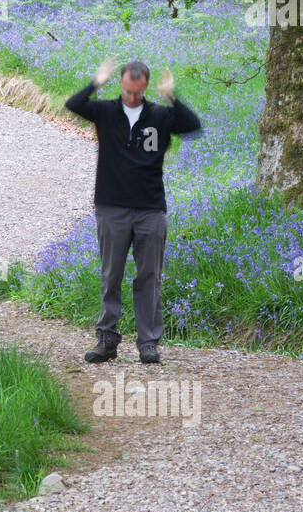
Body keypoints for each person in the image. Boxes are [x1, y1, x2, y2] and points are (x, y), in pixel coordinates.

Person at [63, 58, 201, 364]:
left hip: (150, 208)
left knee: (149, 276)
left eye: (137, 92)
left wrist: (172, 97)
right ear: (121, 85)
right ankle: (107, 338)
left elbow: (192, 126)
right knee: (111, 274)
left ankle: (148, 342)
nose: (132, 97)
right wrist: (95, 82)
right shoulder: (105, 111)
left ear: (146, 87)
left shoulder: (161, 116)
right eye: (127, 90)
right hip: (111, 206)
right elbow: (73, 104)